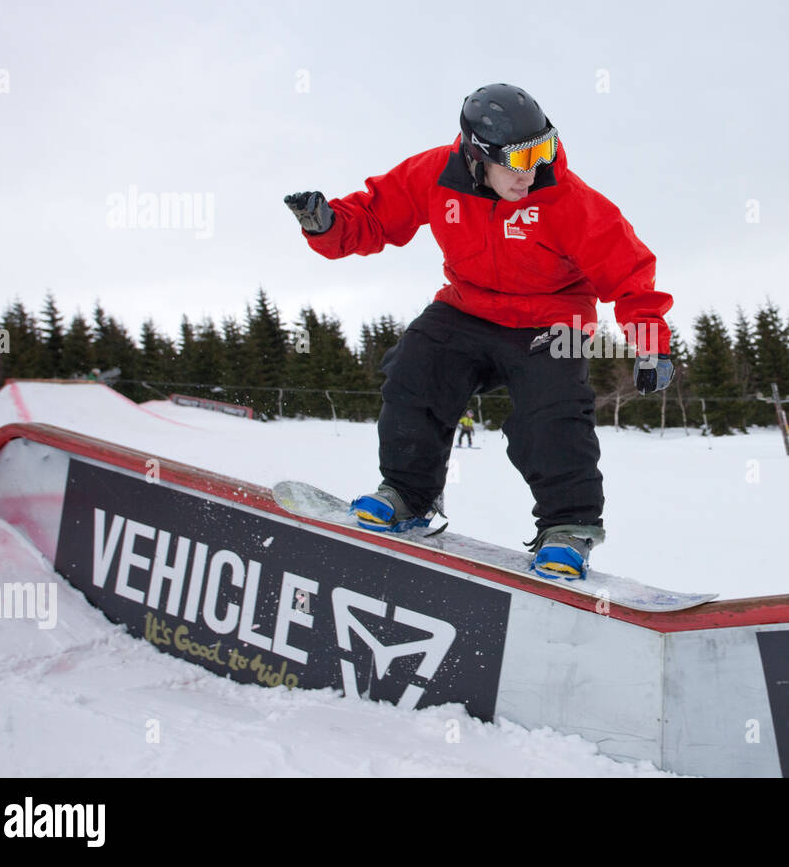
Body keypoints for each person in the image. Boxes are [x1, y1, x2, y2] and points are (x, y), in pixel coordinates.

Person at [285, 83, 673, 580]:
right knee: (416, 367)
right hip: (468, 308)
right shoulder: (435, 175)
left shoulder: (569, 199)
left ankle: (568, 528)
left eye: (542, 153)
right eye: (516, 160)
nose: (529, 173)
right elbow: (375, 216)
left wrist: (650, 343)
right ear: (476, 156)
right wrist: (327, 224)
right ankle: (406, 494)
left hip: (554, 317)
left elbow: (628, 273)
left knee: (552, 411)